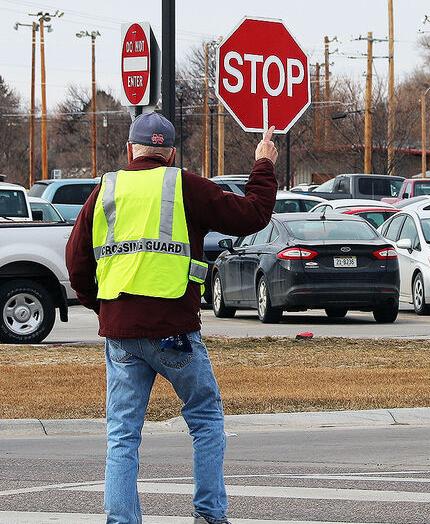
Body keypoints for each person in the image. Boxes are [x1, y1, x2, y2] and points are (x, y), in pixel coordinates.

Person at [66, 112, 279, 523]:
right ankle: (210, 514)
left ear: (130, 150)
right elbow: (252, 215)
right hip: (175, 332)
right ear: (171, 154)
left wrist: (105, 307)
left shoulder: (105, 190)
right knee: (204, 418)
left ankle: (122, 519)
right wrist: (263, 163)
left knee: (122, 434)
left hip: (121, 333)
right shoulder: (185, 186)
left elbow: (77, 262)